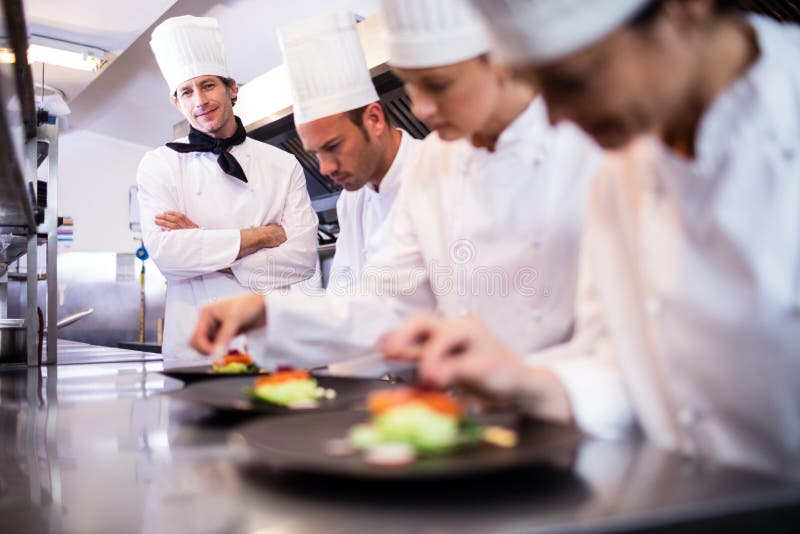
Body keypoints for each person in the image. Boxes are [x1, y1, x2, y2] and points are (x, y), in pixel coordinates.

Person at [384, 0, 800, 478]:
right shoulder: (623, 169)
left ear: (686, 9)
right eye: (539, 85)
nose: (557, 118)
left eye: (574, 81)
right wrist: (527, 382)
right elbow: (618, 360)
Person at [188, 0, 601, 377]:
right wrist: (267, 313)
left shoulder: (585, 141)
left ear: (499, 63)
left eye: (437, 84)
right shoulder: (437, 159)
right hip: (471, 410)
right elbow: (389, 300)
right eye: (412, 86)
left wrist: (529, 381)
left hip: (579, 414)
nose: (420, 108)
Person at [137, 16, 319, 364]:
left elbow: (303, 260)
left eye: (208, 86)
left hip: (268, 346)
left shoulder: (283, 164)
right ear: (176, 103)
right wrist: (263, 236)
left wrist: (204, 244)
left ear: (232, 88)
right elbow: (168, 255)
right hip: (194, 350)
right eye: (186, 92)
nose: (199, 100)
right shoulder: (159, 164)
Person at [278, 11, 421, 293]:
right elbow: (343, 296)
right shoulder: (351, 200)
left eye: (332, 146)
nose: (325, 168)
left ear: (375, 119)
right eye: (315, 153)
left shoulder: (435, 175)